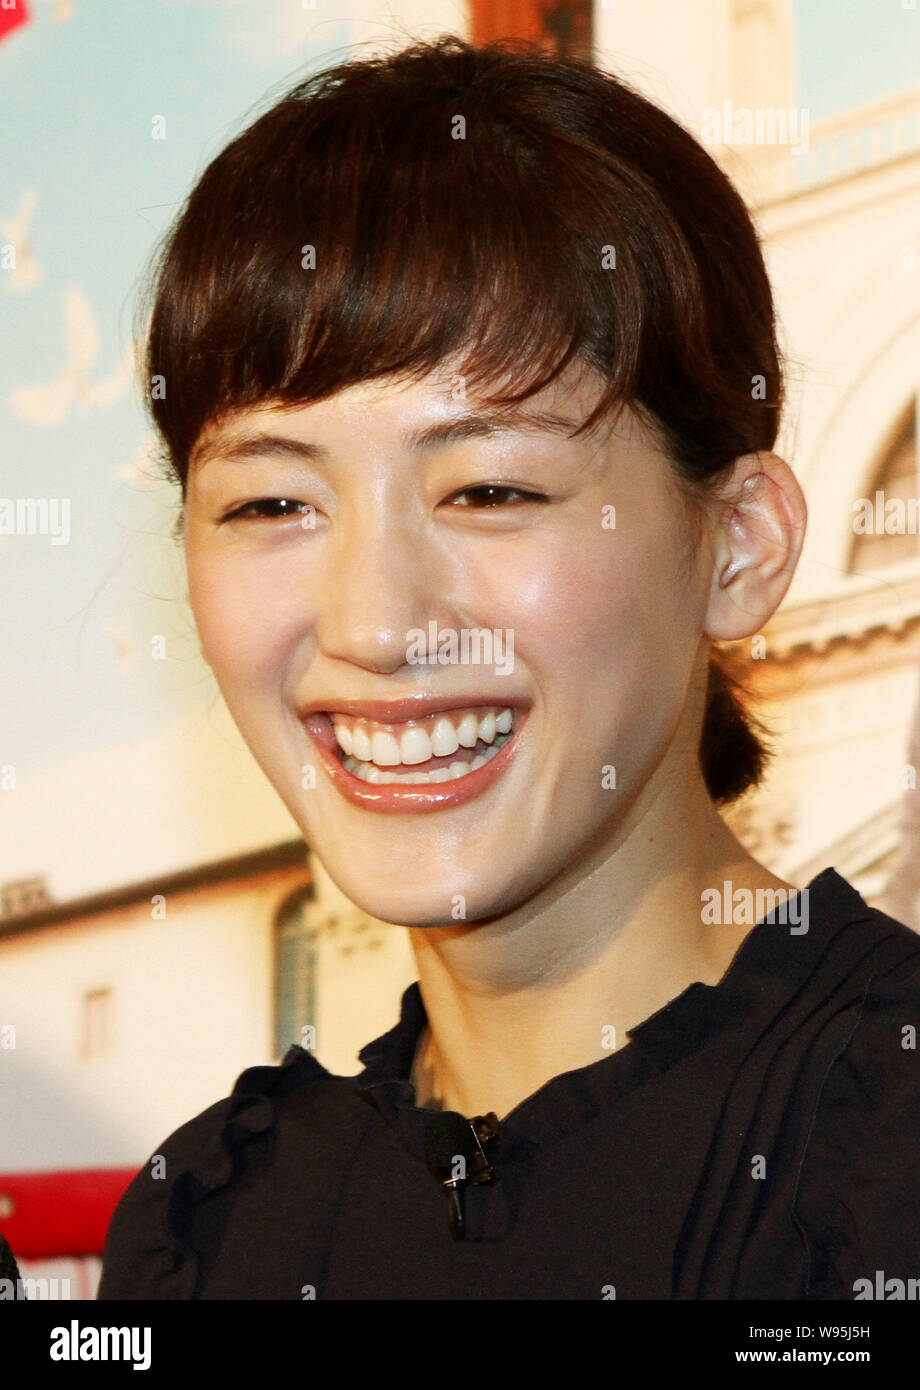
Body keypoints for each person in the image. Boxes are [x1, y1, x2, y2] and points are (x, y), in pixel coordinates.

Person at [98, 35, 920, 1300]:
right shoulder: (214, 1227)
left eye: (488, 487)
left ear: (736, 546)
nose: (374, 624)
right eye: (270, 503)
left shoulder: (879, 1150)